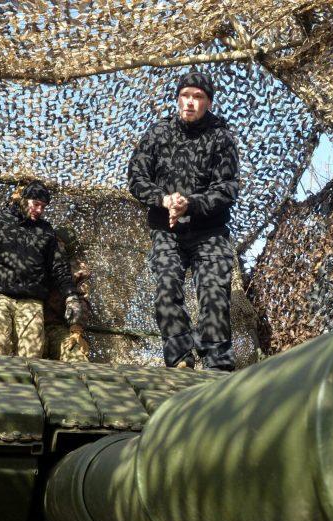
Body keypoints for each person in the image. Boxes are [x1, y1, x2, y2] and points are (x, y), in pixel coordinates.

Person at [127, 71, 240, 371]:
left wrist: (190, 203)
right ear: (178, 99)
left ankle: (217, 365)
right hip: (167, 230)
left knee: (215, 295)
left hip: (210, 232)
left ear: (209, 102)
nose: (190, 102)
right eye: (185, 96)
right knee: (166, 288)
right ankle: (179, 358)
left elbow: (227, 188)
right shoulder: (157, 133)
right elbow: (136, 179)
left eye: (198, 97)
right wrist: (163, 200)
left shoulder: (222, 137)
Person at [0, 181, 82, 357]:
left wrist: (71, 297)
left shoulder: (46, 231)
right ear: (23, 200)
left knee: (32, 353)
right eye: (36, 204)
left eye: (43, 207)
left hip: (32, 300)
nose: (39, 210)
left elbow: (60, 268)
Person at [44, 228, 91, 362]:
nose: (56, 246)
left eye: (60, 243)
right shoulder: (39, 258)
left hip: (59, 327)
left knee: (78, 359)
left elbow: (83, 300)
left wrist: (76, 329)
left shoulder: (79, 270)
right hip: (30, 320)